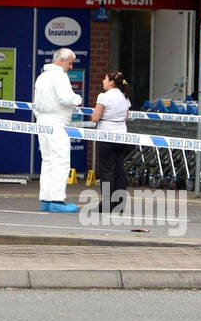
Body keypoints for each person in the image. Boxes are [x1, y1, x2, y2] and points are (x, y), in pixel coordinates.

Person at [32, 47, 82, 212]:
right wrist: (78, 99)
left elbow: (36, 105)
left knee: (47, 160)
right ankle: (57, 200)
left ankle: (45, 199)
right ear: (61, 61)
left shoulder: (41, 77)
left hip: (42, 121)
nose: (71, 67)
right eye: (70, 63)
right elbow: (66, 98)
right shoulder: (60, 77)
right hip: (57, 122)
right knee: (61, 160)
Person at [90, 71, 131, 216]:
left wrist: (94, 115)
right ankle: (119, 204)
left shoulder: (104, 97)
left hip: (107, 136)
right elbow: (126, 117)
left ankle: (107, 204)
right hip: (122, 136)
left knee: (107, 170)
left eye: (105, 79)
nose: (103, 81)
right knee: (119, 169)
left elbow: (95, 117)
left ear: (112, 82)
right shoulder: (125, 97)